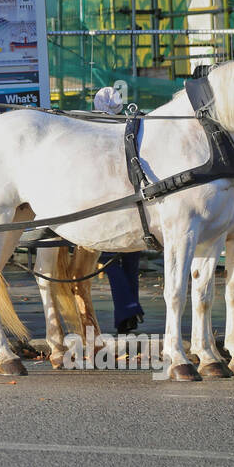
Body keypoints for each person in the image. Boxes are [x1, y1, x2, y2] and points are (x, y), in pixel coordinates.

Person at [91, 84, 145, 334]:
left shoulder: (94, 129)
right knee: (130, 262)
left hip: (107, 203)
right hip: (133, 200)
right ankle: (127, 318)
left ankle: (128, 309)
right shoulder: (130, 127)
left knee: (107, 259)